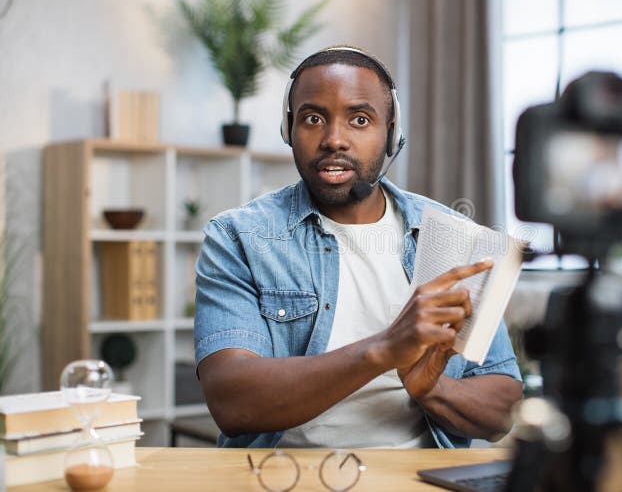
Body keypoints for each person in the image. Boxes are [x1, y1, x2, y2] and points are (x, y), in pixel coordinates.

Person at [194, 46, 522, 449]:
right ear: (289, 130)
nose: (334, 140)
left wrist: (431, 390)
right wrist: (384, 350)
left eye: (360, 119)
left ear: (391, 134)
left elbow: (501, 412)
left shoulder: (455, 238)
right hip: (282, 478)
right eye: (313, 118)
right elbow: (232, 402)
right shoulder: (239, 237)